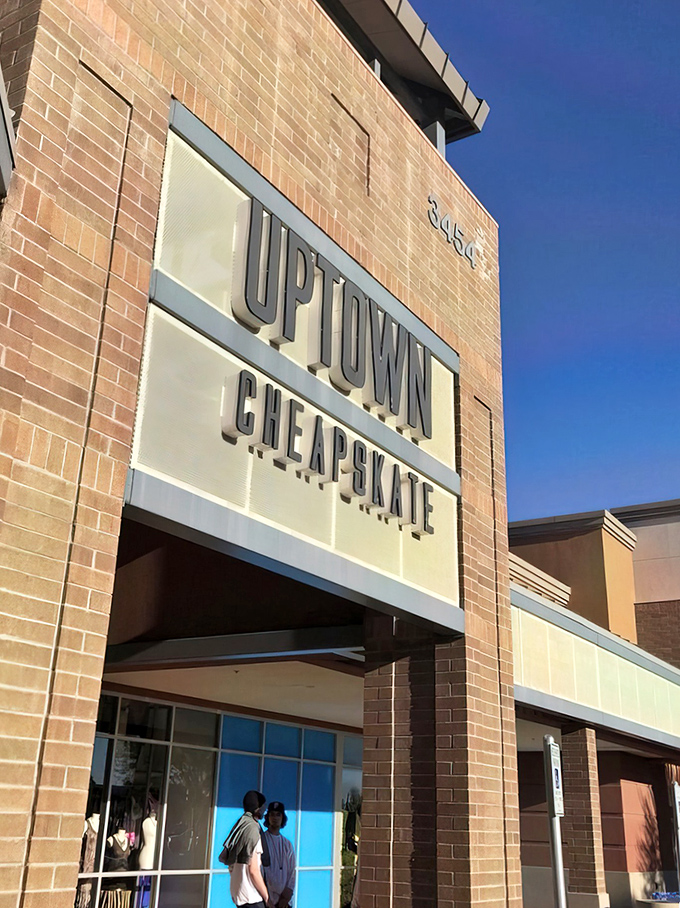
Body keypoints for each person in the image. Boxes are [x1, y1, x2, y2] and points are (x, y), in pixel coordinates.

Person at [222, 790, 272, 908]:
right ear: (258, 808)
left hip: (239, 895)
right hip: (252, 896)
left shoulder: (240, 826)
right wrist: (267, 898)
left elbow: (230, 862)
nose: (265, 811)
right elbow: (253, 870)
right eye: (263, 807)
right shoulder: (253, 830)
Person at [262, 802, 295, 908]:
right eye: (272, 814)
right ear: (267, 817)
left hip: (284, 901)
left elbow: (292, 872)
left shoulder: (287, 844)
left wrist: (286, 896)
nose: (275, 818)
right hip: (267, 900)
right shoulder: (262, 840)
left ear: (282, 817)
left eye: (278, 814)